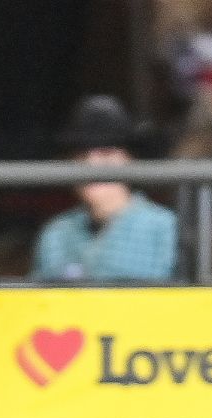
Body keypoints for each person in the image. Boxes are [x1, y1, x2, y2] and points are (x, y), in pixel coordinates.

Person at [32, 97, 180, 284]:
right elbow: (40, 307)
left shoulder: (165, 229)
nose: (91, 163)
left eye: (106, 152)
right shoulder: (56, 234)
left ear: (130, 159)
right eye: (82, 154)